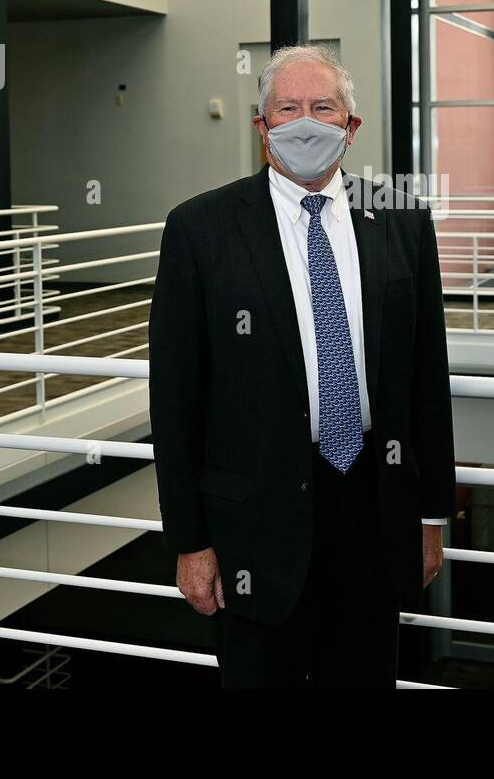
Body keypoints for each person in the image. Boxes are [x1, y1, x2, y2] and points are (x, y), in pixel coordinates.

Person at [148, 43, 456, 688]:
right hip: (253, 527)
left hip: (373, 508)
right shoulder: (200, 229)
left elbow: (427, 381)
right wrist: (189, 541)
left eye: (324, 107)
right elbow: (175, 400)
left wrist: (430, 518)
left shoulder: (402, 218)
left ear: (352, 126)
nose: (305, 121)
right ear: (262, 128)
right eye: (287, 108)